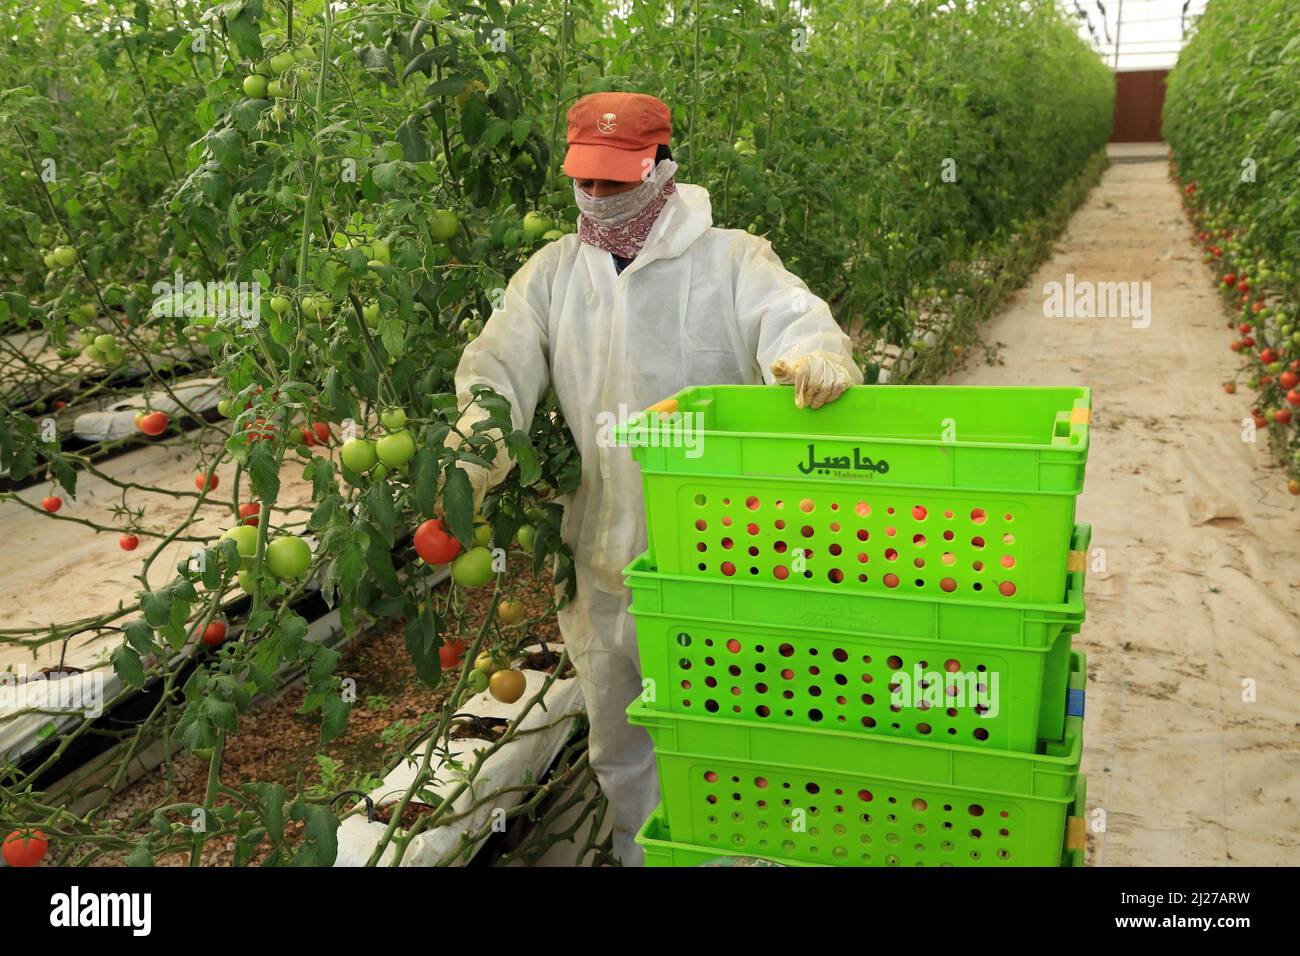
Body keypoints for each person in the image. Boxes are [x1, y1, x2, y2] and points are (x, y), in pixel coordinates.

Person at [451, 92, 862, 864]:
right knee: (623, 745)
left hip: (718, 561)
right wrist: (472, 453)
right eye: (587, 181)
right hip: (602, 557)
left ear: (661, 167)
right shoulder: (551, 277)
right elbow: (497, 371)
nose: (600, 198)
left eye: (618, 180)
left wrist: (817, 355)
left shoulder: (731, 259)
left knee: (730, 742)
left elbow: (793, 316)